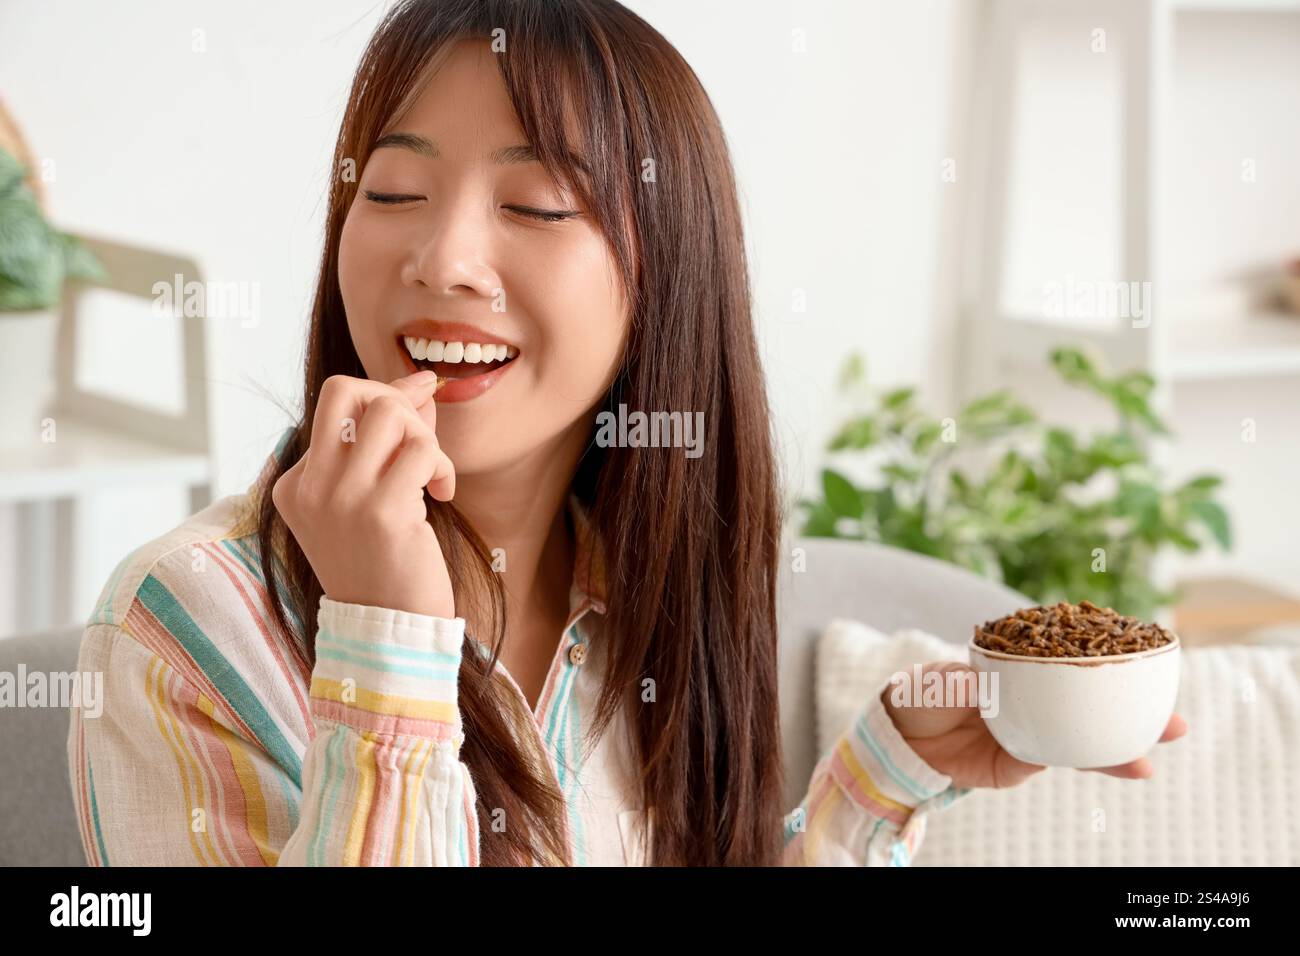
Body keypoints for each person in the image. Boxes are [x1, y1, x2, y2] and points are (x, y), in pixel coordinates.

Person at [66, 0, 1185, 867]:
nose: (443, 259)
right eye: (396, 190)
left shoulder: (648, 578)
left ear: (666, 280)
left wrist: (866, 792)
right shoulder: (182, 629)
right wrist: (384, 636)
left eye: (539, 205)